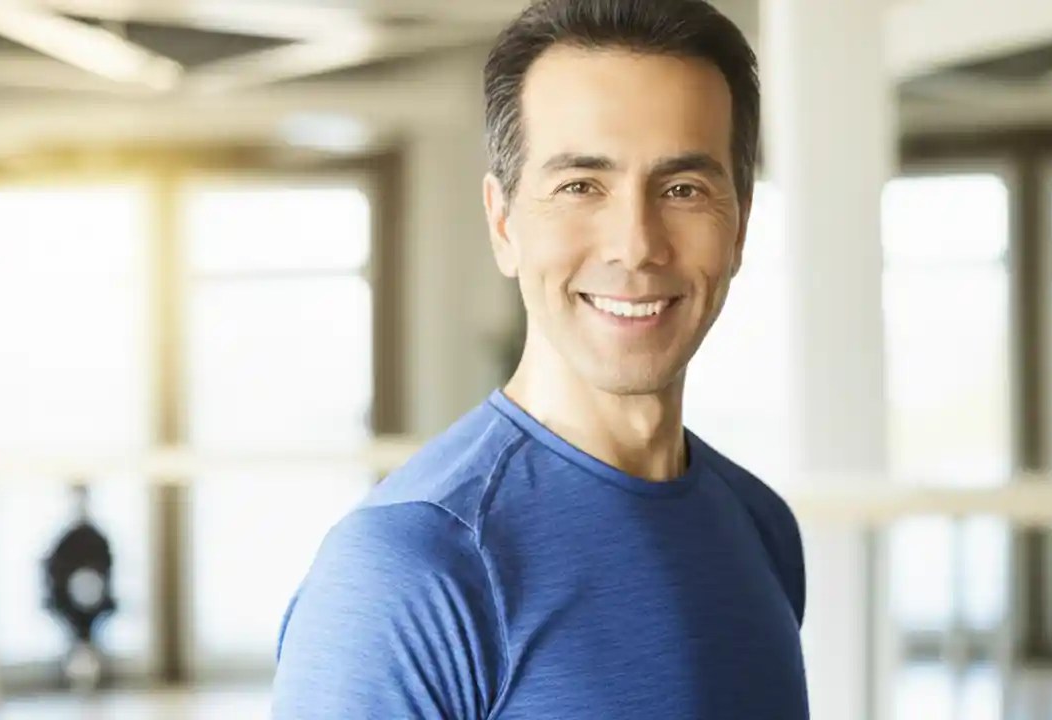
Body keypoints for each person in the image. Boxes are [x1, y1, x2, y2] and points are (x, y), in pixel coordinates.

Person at [272, 0, 808, 717]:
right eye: (581, 187)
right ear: (503, 224)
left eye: (683, 189)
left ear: (738, 225)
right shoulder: (407, 569)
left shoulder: (758, 523)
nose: (636, 244)